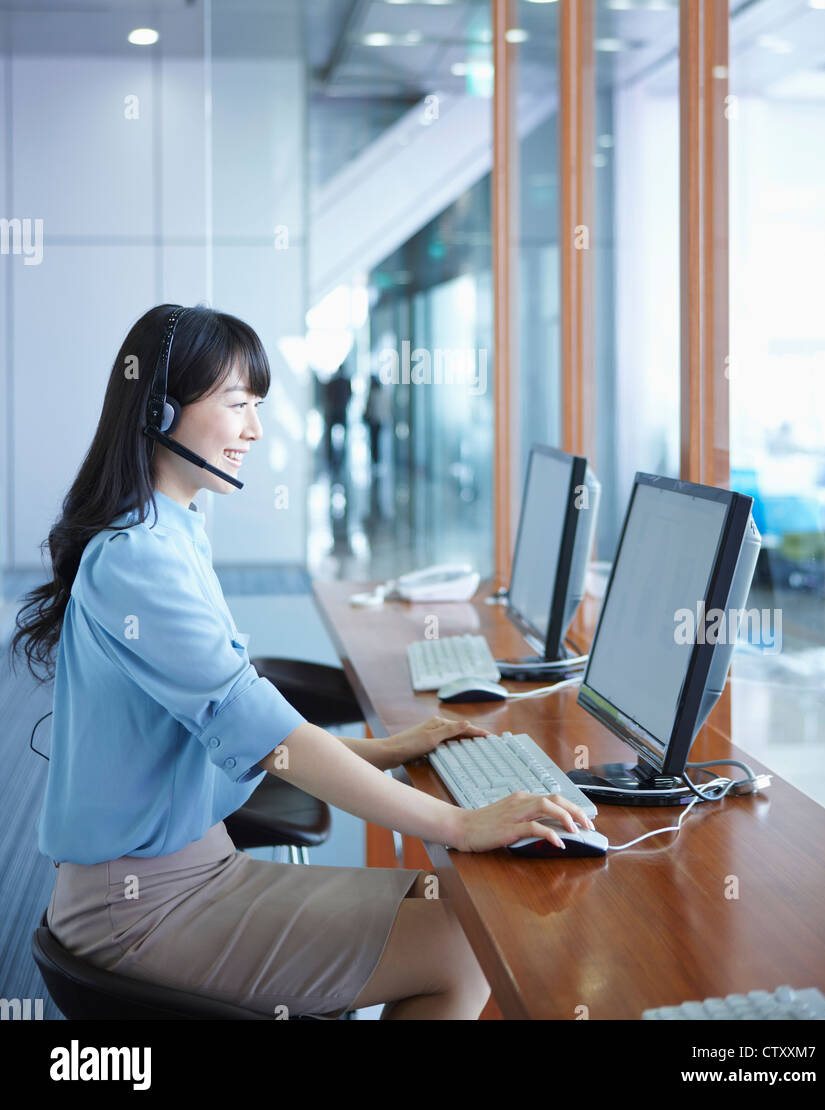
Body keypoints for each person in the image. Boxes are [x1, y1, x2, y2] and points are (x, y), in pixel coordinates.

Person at [10, 303, 595, 1020]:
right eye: (238, 405)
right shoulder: (137, 560)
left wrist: (387, 749)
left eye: (258, 407)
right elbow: (266, 734)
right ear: (161, 412)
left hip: (197, 869)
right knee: (464, 941)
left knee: (460, 908)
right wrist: (459, 824)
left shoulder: (172, 529)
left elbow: (246, 720)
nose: (255, 429)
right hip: (139, 912)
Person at [322, 364, 352, 474]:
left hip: (333, 411)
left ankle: (331, 459)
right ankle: (342, 458)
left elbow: (327, 396)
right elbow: (350, 396)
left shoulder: (332, 382)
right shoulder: (346, 382)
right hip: (341, 411)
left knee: (329, 436)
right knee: (344, 436)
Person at [363, 374, 390, 468]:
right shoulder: (383, 393)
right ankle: (377, 459)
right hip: (379, 420)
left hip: (374, 420)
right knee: (377, 440)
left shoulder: (373, 393)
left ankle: (375, 459)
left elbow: (369, 407)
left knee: (374, 440)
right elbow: (386, 408)